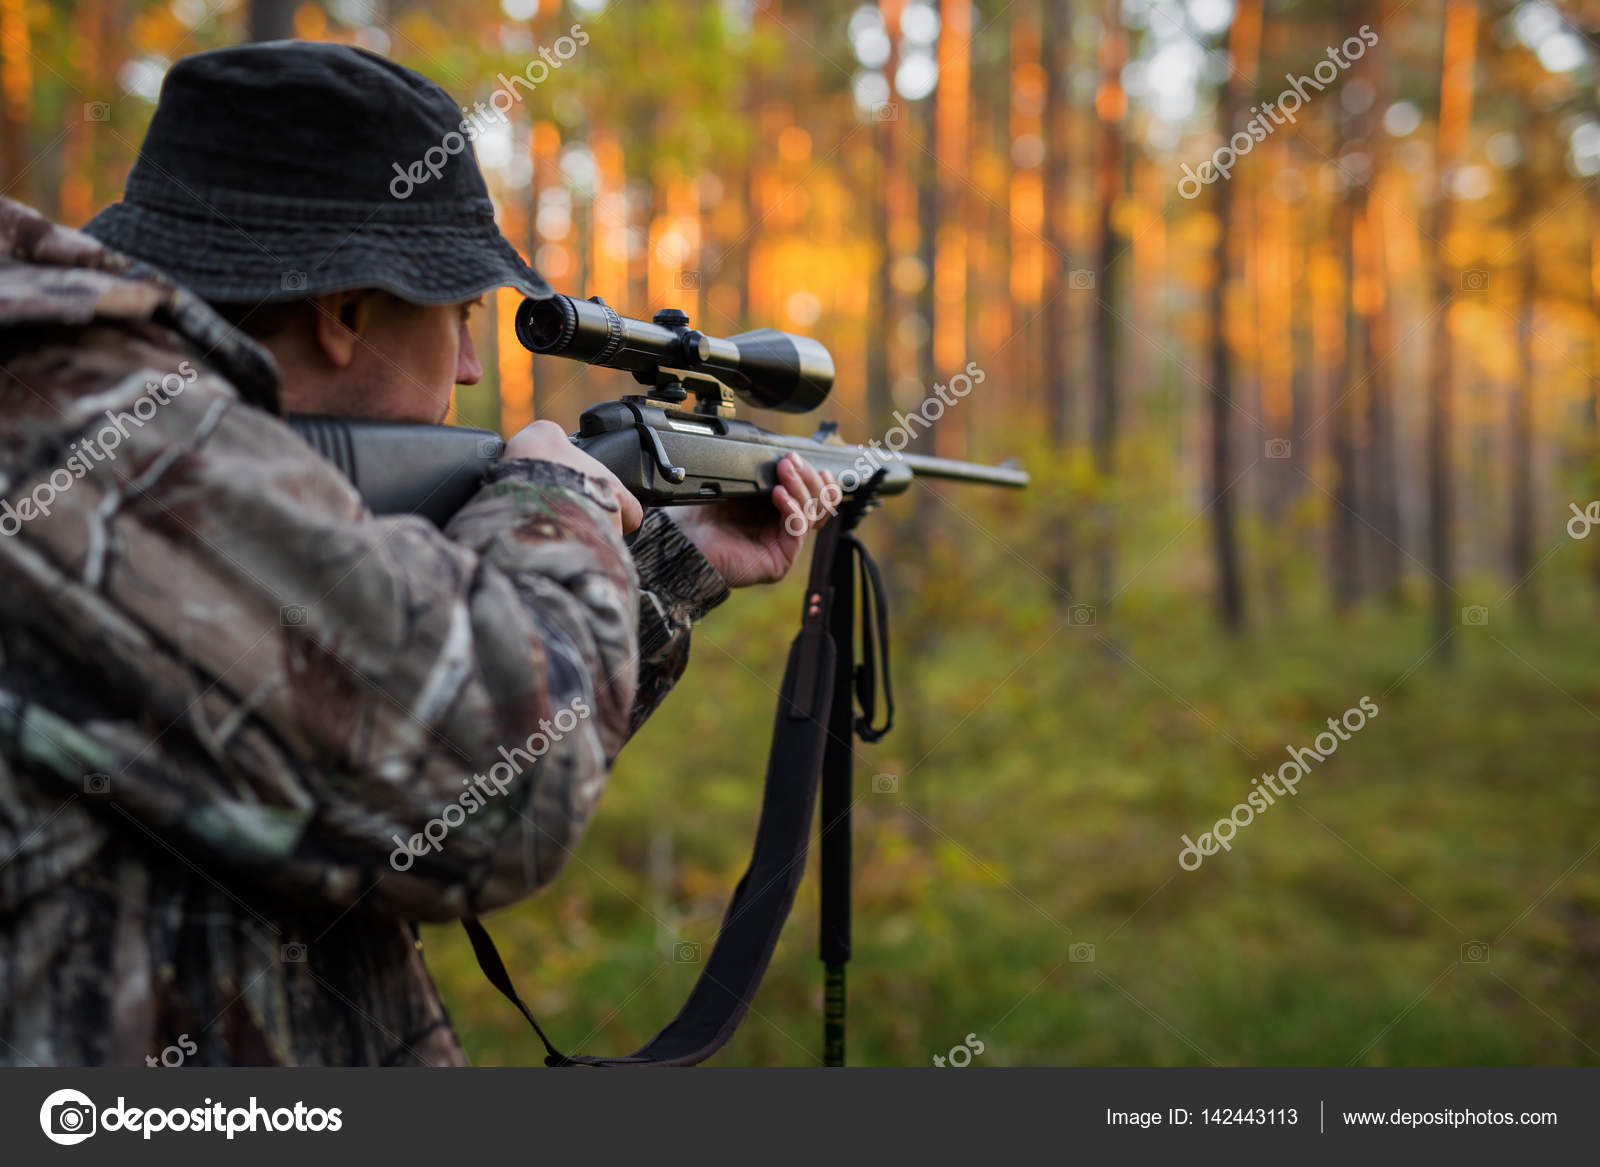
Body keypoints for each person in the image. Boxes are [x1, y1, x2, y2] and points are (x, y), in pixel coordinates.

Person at [0, 40, 832, 1066]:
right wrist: (554, 497)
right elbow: (496, 799)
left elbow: (373, 766)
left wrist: (664, 567)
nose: (475, 369)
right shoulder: (87, 440)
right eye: (462, 317)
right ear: (346, 315)